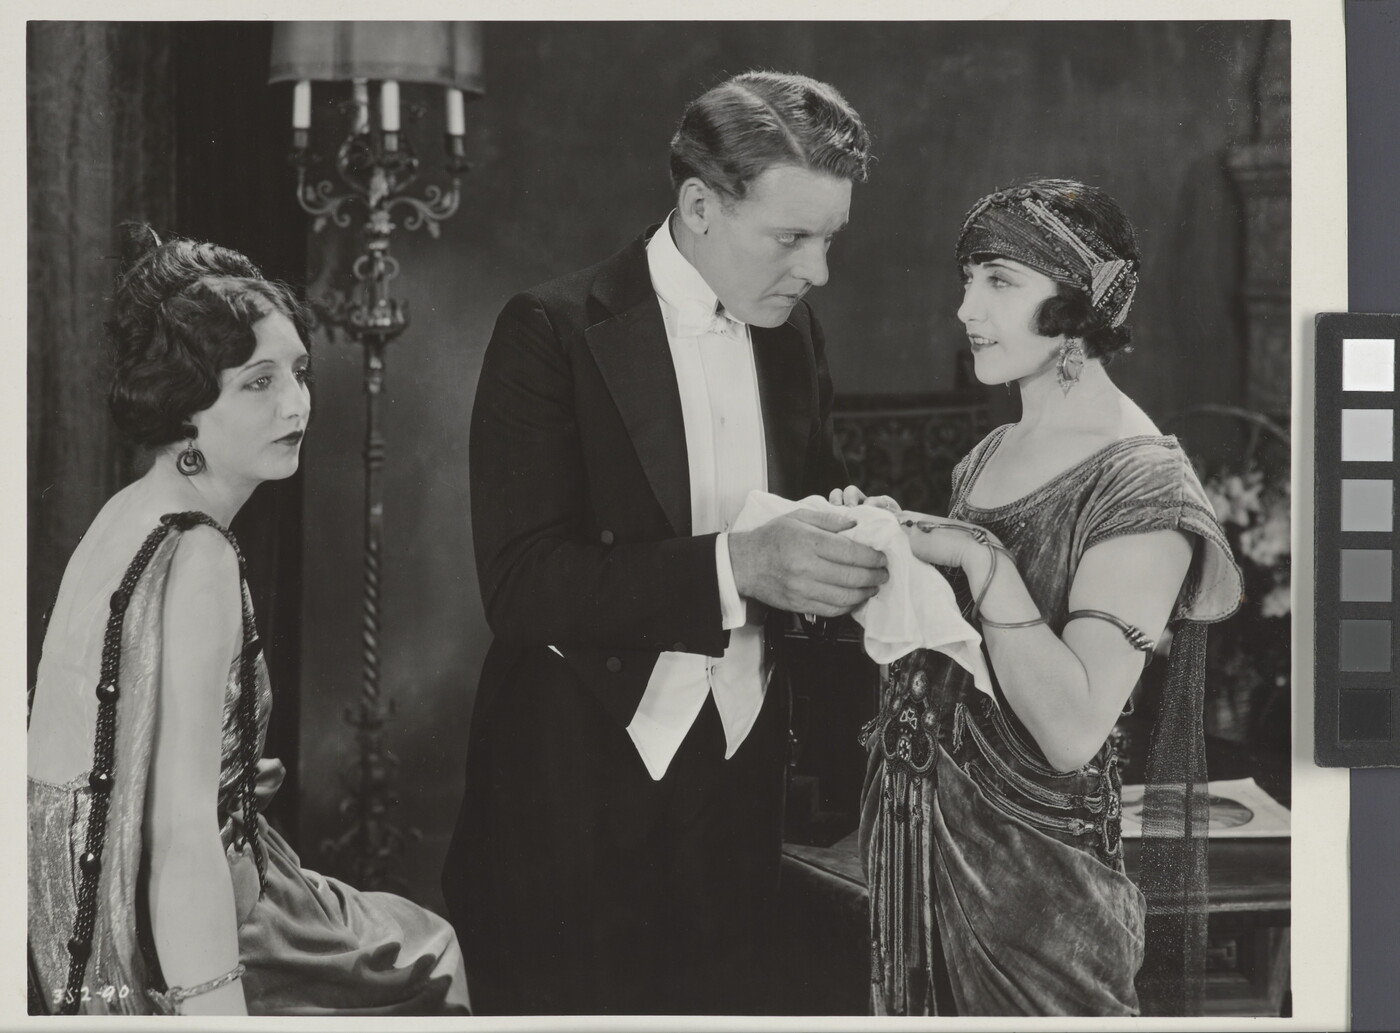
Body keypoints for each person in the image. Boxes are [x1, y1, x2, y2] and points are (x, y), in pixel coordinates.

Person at [443, 71, 888, 1015]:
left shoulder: (793, 334)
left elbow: (798, 512)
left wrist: (841, 538)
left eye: (829, 240)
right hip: (571, 788)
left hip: (742, 781)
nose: (817, 272)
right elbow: (521, 586)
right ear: (697, 206)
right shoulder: (549, 331)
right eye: (791, 238)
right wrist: (741, 565)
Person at [26, 227, 471, 1016]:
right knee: (426, 952)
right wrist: (212, 1005)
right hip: (177, 926)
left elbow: (112, 753)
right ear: (186, 404)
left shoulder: (127, 514)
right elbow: (179, 826)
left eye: (297, 372)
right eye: (257, 383)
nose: (296, 403)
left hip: (77, 916)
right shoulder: (198, 558)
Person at [854, 179, 1243, 1016]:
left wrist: (977, 555)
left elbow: (1071, 730)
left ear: (1077, 301)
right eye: (967, 279)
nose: (965, 306)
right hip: (920, 850)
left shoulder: (1141, 477)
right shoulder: (990, 452)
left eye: (998, 279)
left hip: (1038, 892)